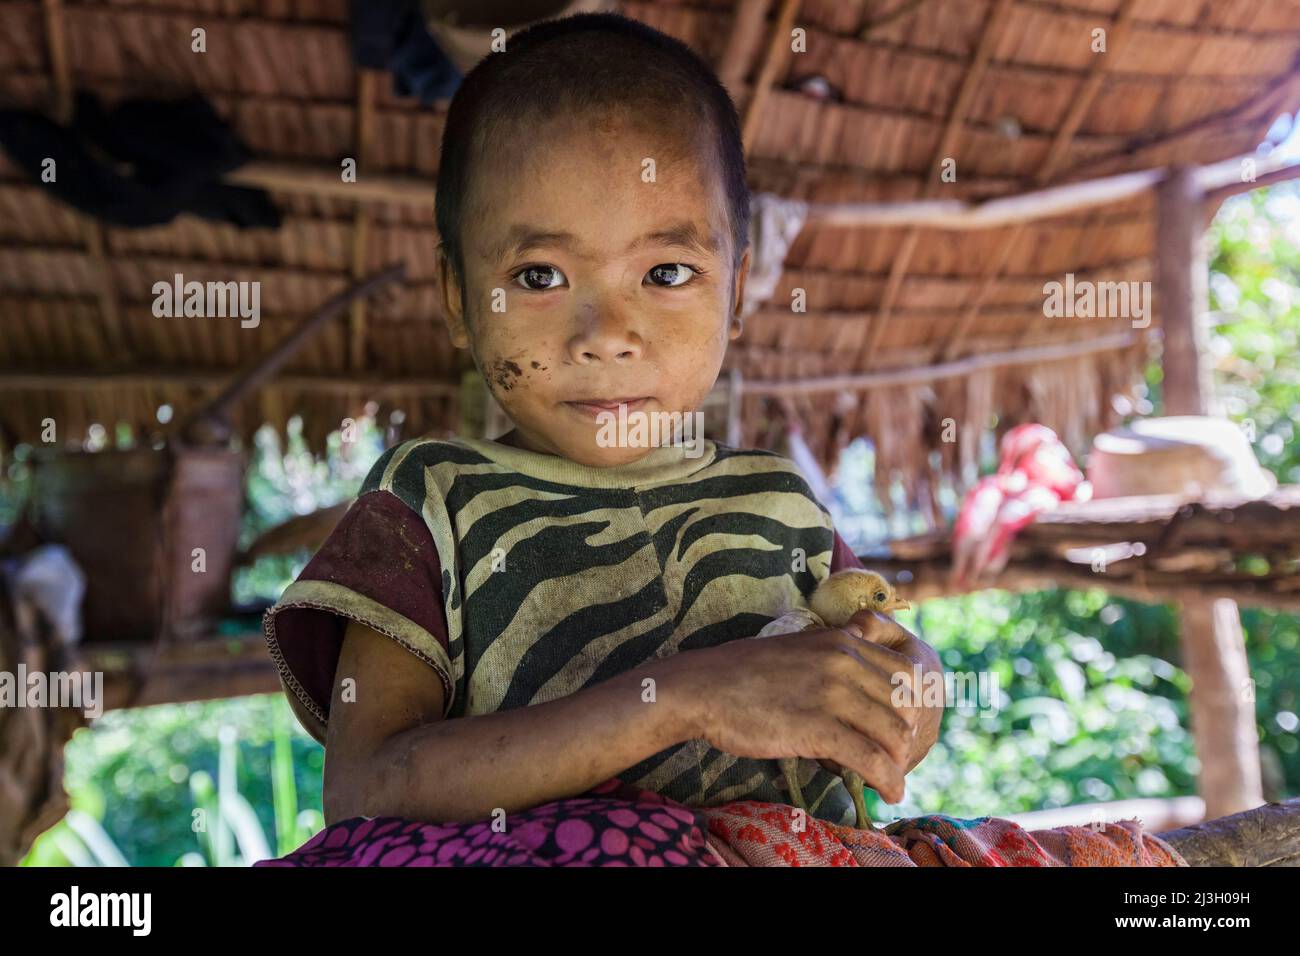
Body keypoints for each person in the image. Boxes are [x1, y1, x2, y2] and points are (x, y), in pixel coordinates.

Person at [261, 11, 944, 867]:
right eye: (539, 276)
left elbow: (876, 657)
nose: (607, 334)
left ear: (736, 289)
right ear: (457, 298)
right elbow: (364, 791)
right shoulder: (431, 504)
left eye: (666, 273)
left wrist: (914, 686)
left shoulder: (781, 502)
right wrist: (679, 700)